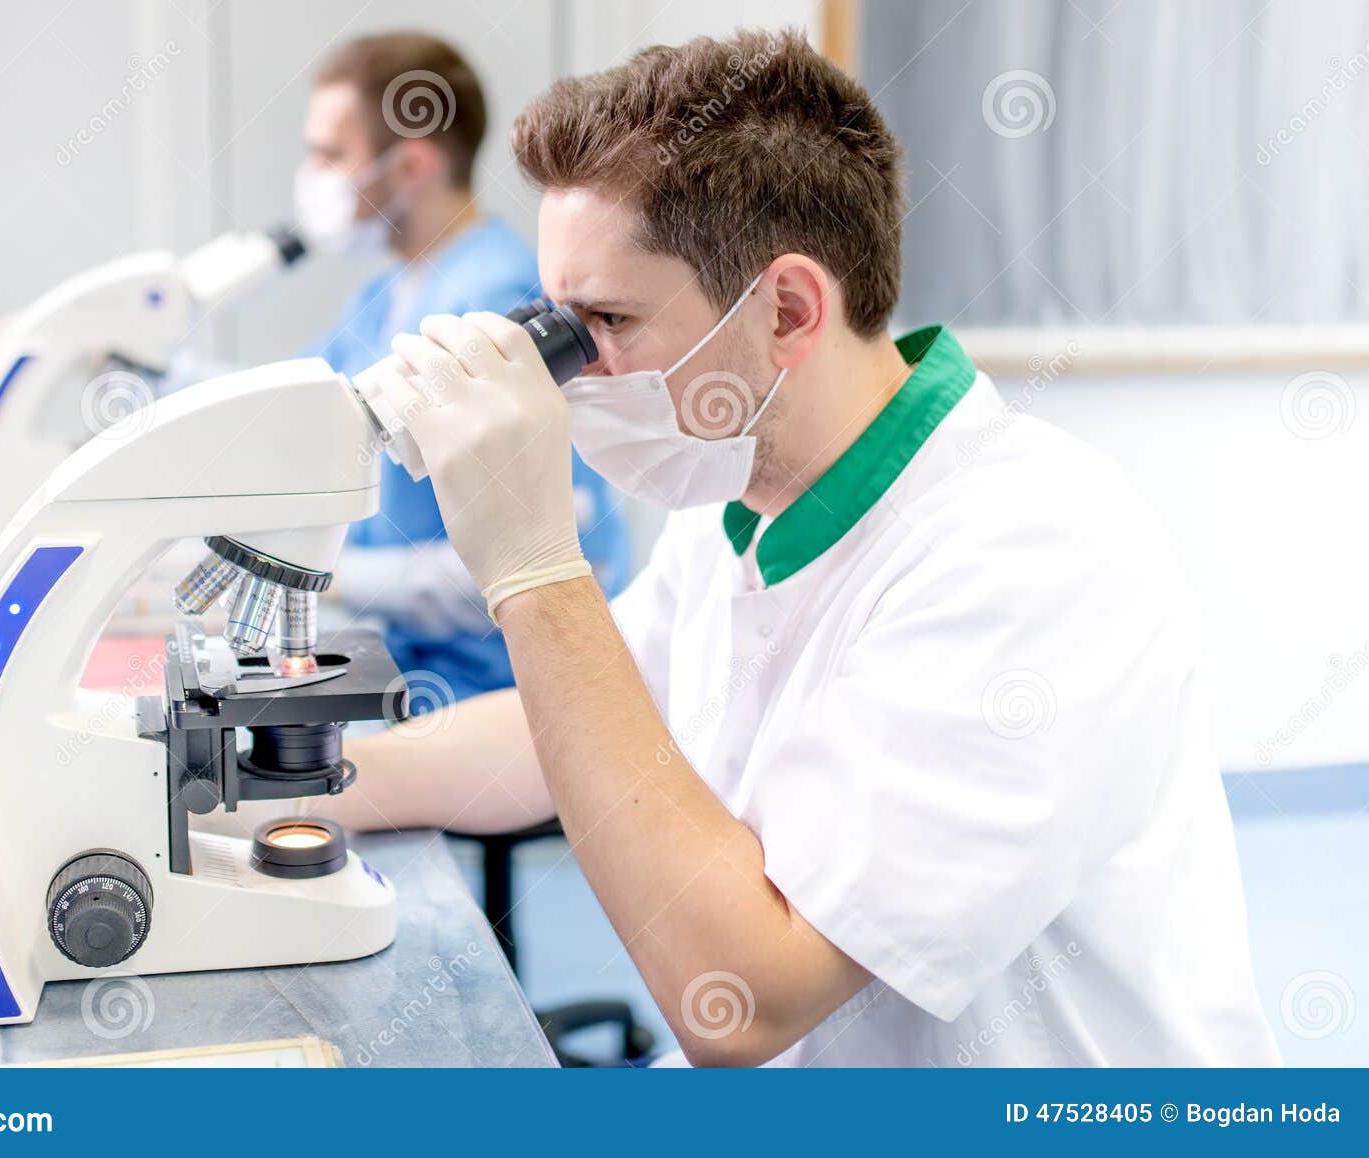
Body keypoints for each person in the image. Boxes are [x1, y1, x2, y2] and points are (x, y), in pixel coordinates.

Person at [286, 29, 1278, 1066]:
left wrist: (535, 571)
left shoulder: (1029, 550)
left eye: (608, 320)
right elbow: (552, 733)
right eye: (559, 322)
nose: (573, 372)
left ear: (789, 309)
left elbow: (747, 998)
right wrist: (278, 780)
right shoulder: (742, 504)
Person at [294, 32, 628, 703]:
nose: (314, 176)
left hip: (488, 695)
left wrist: (324, 578)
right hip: (407, 670)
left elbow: (556, 553)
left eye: (332, 155)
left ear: (411, 164)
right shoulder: (388, 292)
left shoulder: (495, 302)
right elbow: (296, 403)